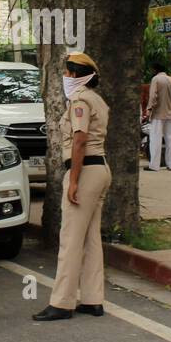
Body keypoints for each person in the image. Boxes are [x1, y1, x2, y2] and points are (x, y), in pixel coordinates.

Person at [34, 52, 111, 322]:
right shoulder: (97, 100)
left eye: (67, 73)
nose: (65, 77)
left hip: (85, 170)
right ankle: (92, 299)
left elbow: (79, 140)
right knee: (90, 239)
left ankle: (62, 303)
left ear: (77, 75)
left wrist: (74, 180)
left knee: (70, 240)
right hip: (99, 168)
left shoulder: (79, 100)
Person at [144, 61, 171, 170]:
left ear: (155, 70)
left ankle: (154, 166)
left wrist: (149, 109)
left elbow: (153, 96)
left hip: (158, 114)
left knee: (155, 140)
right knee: (170, 140)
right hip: (169, 114)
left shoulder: (156, 79)